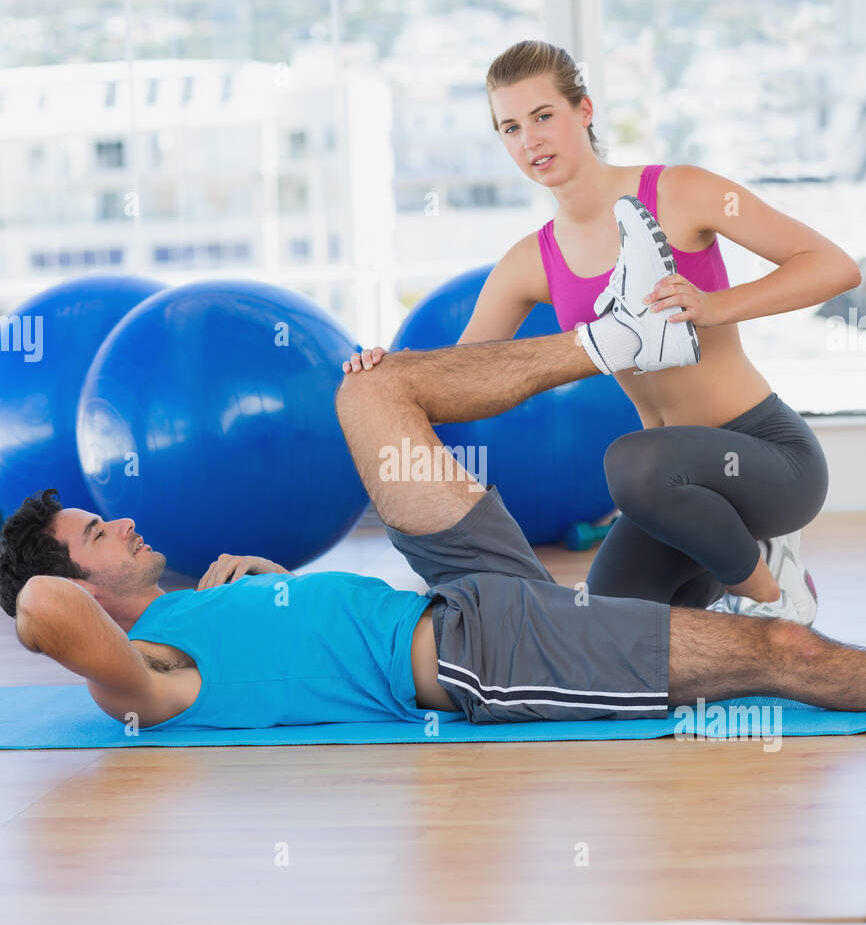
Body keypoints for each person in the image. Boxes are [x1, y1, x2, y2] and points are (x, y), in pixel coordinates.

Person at [3, 289, 865, 732]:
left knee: (371, 387)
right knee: (778, 648)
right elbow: (42, 610)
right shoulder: (143, 679)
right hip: (486, 650)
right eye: (93, 533)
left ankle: (611, 339)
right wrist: (99, 619)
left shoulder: (187, 607)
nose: (117, 521)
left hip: (457, 584)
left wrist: (259, 593)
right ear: (75, 579)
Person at [343, 40, 860, 624]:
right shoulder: (529, 262)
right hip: (674, 497)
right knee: (601, 631)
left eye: (543, 117)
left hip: (768, 458)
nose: (530, 140)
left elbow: (833, 265)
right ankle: (732, 563)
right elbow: (463, 378)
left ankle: (775, 591)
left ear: (583, 111)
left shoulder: (678, 192)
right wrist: (393, 373)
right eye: (510, 128)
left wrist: (715, 306)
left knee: (629, 463)